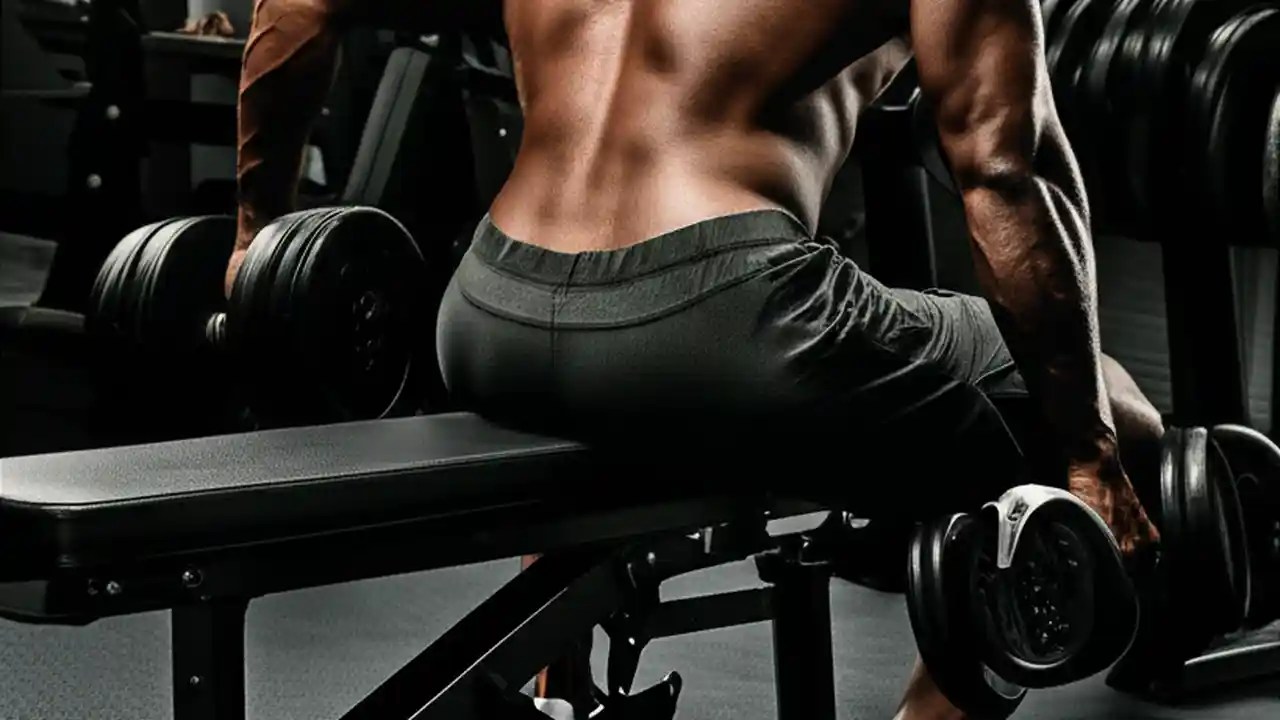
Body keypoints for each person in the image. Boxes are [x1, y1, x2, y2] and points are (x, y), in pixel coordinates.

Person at [229, 0, 1164, 718]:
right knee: (1107, 407)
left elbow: (299, 10)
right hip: (722, 315)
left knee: (604, 411)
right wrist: (1087, 455)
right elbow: (1009, 172)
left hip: (486, 311)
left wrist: (254, 233)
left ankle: (559, 691)